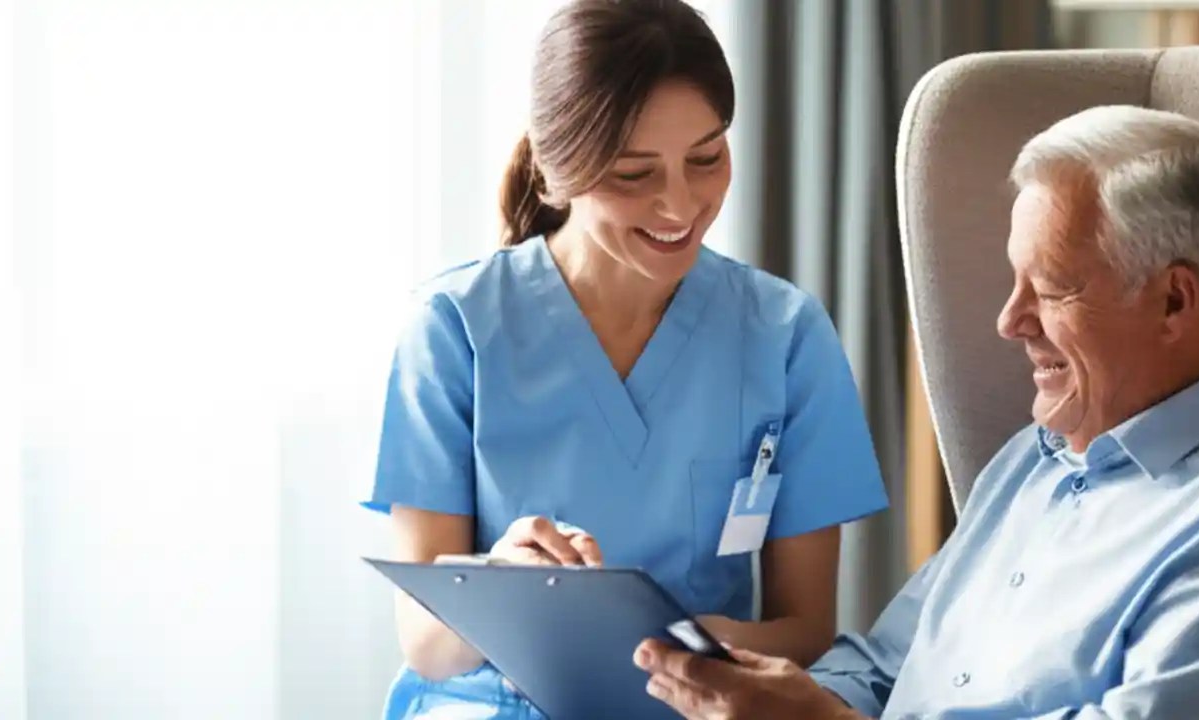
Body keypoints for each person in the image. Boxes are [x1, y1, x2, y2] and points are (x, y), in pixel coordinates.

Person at [635, 104, 1199, 719]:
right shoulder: (1033, 459)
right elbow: (885, 666)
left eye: (1050, 289)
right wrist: (752, 690)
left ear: (1174, 302)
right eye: (1014, 283)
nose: (1010, 321)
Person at [363, 1, 889, 718]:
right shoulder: (454, 329)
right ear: (556, 171)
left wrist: (686, 648)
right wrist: (500, 583)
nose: (680, 205)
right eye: (634, 173)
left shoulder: (787, 336)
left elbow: (805, 628)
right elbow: (425, 642)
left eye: (705, 158)